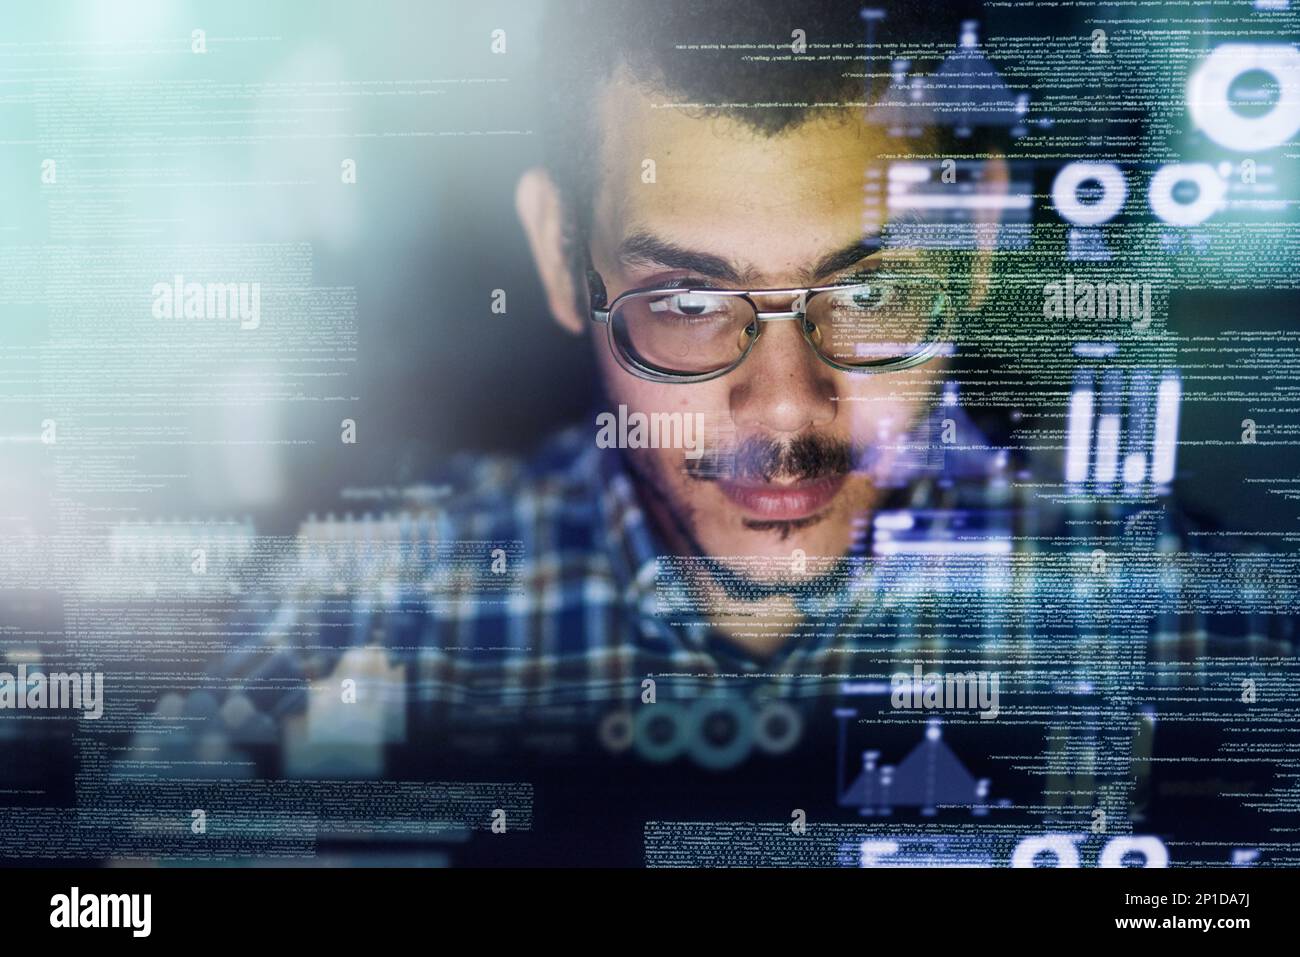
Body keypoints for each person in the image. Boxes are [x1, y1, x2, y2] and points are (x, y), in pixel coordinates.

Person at [124, 0, 1293, 867]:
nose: (784, 414)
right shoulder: (362, 609)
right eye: (683, 306)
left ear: (977, 237)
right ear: (556, 253)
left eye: (869, 295)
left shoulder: (1194, 628)